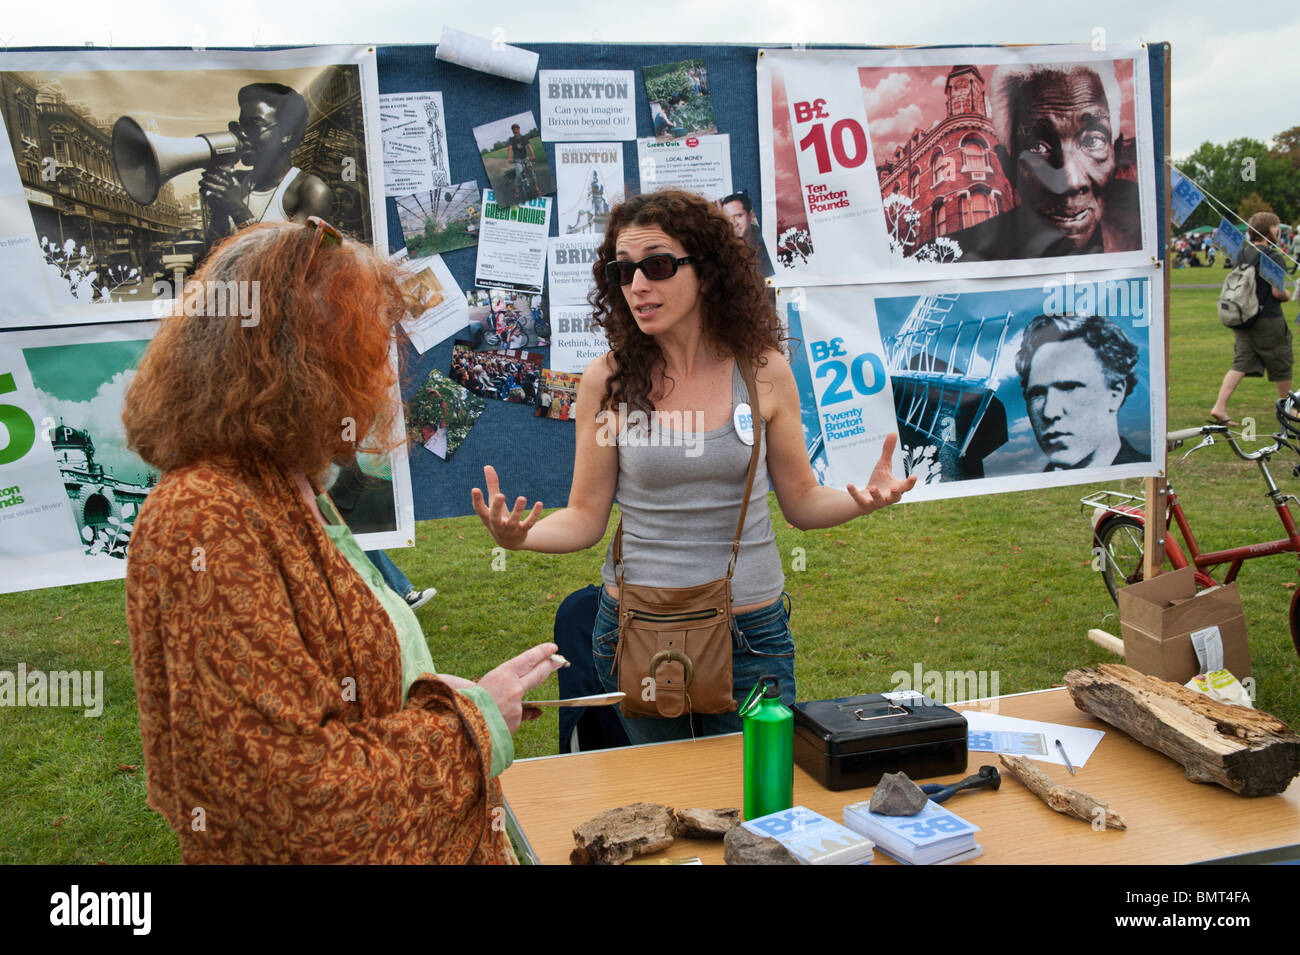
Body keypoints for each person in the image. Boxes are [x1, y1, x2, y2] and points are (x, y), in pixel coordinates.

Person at [122, 219, 561, 863]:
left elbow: (329, 680)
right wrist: (470, 722)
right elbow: (295, 797)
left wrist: (432, 691)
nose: (388, 375)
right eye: (371, 348)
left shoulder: (287, 484)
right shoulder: (204, 517)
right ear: (300, 362)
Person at [472, 189, 916, 745]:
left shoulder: (763, 373)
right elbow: (586, 518)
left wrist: (860, 499)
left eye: (657, 266)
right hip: (639, 630)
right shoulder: (605, 383)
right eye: (624, 271)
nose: (638, 285)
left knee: (759, 796)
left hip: (752, 634)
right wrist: (521, 537)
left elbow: (801, 501)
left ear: (705, 272)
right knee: (665, 802)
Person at [945, 62, 1140, 262]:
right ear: (1008, 166)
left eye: (1093, 140)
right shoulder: (951, 256)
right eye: (1038, 147)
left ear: (1115, 153)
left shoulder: (1146, 231)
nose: (1071, 182)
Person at [199, 83, 332, 245]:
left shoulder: (310, 191)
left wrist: (238, 210)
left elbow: (291, 259)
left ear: (287, 134)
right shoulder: (237, 185)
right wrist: (220, 211)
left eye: (254, 125)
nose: (241, 134)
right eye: (238, 126)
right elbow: (213, 257)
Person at [1015, 312, 1147, 470]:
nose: (1050, 412)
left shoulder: (1140, 468)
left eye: (1070, 388)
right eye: (1037, 394)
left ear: (1115, 393)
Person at [1209, 211, 1294, 425]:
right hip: (1268, 319)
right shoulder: (1273, 257)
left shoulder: (1243, 254)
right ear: (1267, 230)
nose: (1279, 232)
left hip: (1243, 318)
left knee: (1240, 363)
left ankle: (1219, 406)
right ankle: (1288, 410)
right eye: (1276, 227)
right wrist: (1289, 295)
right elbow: (1277, 292)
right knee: (1282, 362)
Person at [720, 191, 775, 277]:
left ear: (751, 215)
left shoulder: (769, 242)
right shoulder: (721, 250)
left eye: (738, 216)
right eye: (727, 218)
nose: (733, 223)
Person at [507, 123, 536, 201]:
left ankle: (536, 187)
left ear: (519, 129)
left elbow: (529, 146)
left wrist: (532, 155)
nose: (515, 130)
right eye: (514, 129)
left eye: (517, 129)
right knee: (518, 173)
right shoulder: (511, 140)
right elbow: (509, 149)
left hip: (525, 158)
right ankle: (517, 190)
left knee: (531, 172)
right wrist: (509, 158)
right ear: (512, 131)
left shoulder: (524, 138)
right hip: (517, 160)